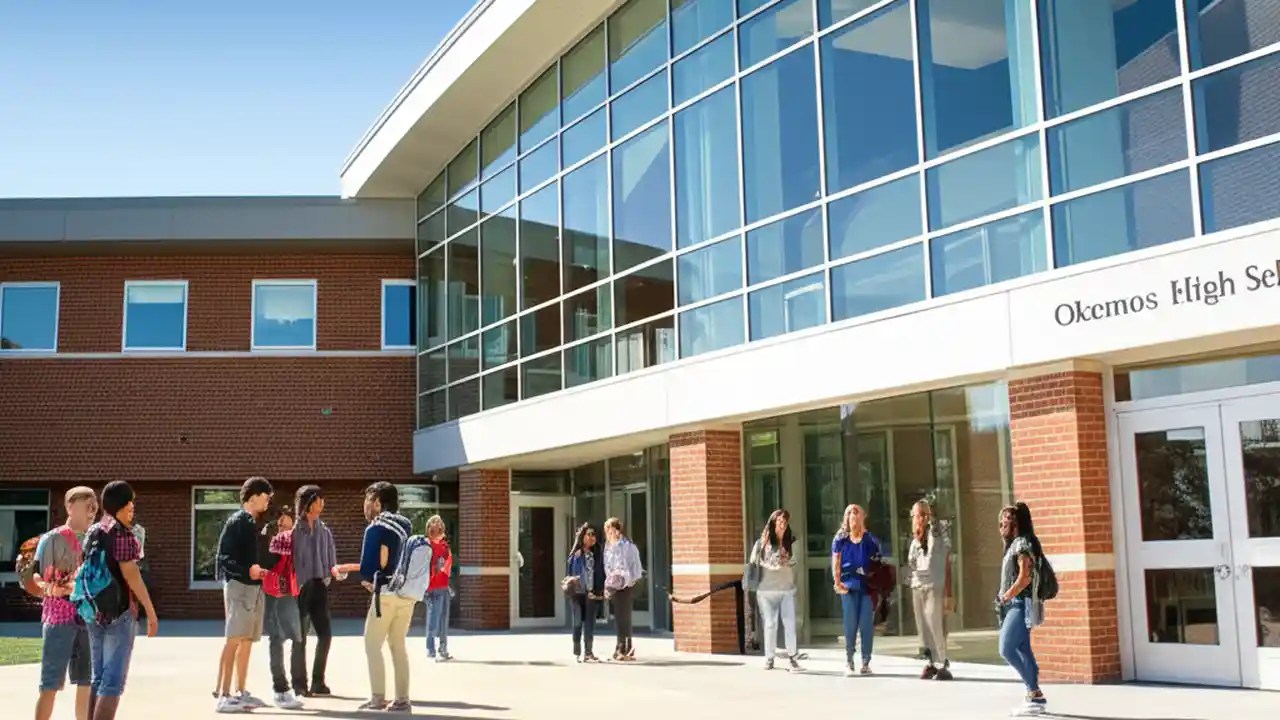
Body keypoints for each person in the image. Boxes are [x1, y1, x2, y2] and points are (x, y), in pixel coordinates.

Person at [85, 480, 158, 720]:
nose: (133, 508)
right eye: (131, 504)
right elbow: (132, 575)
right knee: (113, 682)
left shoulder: (94, 531)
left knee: (99, 678)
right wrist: (149, 609)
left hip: (94, 611)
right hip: (119, 612)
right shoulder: (122, 534)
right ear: (123, 505)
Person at [32, 486, 98, 720]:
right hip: (59, 617)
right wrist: (49, 587)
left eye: (94, 505)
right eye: (87, 504)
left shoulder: (96, 539)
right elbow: (35, 575)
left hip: (88, 617)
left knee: (87, 682)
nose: (92, 510)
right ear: (70, 506)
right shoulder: (52, 539)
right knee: (50, 683)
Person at [213, 476, 275, 714]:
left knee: (247, 640)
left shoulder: (252, 523)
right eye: (266, 496)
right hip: (239, 587)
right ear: (256, 496)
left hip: (254, 588)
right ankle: (224, 695)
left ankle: (240, 692)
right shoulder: (239, 520)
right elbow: (224, 558)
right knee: (234, 638)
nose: (268, 501)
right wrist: (246, 570)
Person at [355, 482, 415, 712]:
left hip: (385, 595)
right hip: (406, 594)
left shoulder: (376, 528)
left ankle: (377, 698)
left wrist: (365, 579)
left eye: (368, 500)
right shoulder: (406, 524)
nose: (366, 506)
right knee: (398, 645)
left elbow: (368, 568)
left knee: (372, 644)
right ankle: (402, 699)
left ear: (378, 502)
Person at [998, 502, 1048, 716]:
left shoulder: (1022, 544)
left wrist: (1007, 595)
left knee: (1006, 648)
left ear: (1017, 522)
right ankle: (1033, 695)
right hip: (1014, 604)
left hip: (1020, 604)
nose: (1002, 523)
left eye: (1007, 519)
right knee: (1023, 650)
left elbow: (1025, 577)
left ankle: (1034, 692)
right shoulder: (1015, 544)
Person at [291, 485, 340, 697]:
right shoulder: (294, 531)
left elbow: (331, 562)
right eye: (319, 500)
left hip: (319, 586)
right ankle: (299, 684)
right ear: (309, 503)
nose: (322, 504)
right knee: (299, 637)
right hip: (300, 588)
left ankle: (318, 682)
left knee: (325, 635)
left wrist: (336, 572)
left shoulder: (325, 530)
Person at [260, 505, 305, 710]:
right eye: (280, 522)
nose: (282, 524)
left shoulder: (295, 540)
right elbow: (267, 563)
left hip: (289, 594)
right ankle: (280, 688)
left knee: (296, 636)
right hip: (274, 593)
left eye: (286, 520)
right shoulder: (272, 542)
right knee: (276, 638)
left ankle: (294, 686)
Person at [831, 503, 880, 677]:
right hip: (848, 586)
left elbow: (877, 563)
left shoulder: (870, 540)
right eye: (850, 513)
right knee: (850, 624)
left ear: (862, 517)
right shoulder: (840, 539)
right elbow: (835, 562)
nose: (853, 516)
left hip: (867, 588)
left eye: (856, 512)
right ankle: (849, 660)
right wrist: (837, 582)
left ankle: (866, 661)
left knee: (866, 625)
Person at [751, 509, 802, 672]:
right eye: (779, 521)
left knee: (790, 624)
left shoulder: (791, 542)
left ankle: (793, 658)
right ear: (773, 523)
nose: (783, 524)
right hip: (766, 590)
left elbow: (795, 561)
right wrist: (769, 565)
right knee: (770, 624)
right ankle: (769, 658)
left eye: (785, 522)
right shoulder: (762, 543)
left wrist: (786, 561)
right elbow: (753, 561)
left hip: (786, 589)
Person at [906, 500, 952, 681]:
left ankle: (942, 663)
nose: (921, 518)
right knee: (924, 628)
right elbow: (912, 564)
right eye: (918, 514)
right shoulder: (914, 540)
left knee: (936, 625)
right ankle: (931, 662)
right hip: (918, 587)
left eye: (925, 514)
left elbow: (946, 562)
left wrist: (949, 592)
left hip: (935, 586)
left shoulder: (937, 534)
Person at [602, 517, 643, 662]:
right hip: (614, 586)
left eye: (611, 530)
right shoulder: (608, 548)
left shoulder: (628, 547)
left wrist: (629, 580)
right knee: (618, 616)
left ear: (618, 531)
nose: (609, 534)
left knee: (623, 616)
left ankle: (624, 647)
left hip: (626, 585)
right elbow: (607, 567)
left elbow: (636, 567)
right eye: (607, 531)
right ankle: (622, 646)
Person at [565, 523, 605, 663]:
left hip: (592, 592)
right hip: (577, 593)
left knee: (590, 623)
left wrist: (599, 589)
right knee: (577, 623)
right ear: (582, 537)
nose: (592, 538)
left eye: (593, 535)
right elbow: (570, 573)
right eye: (588, 534)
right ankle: (577, 651)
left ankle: (588, 652)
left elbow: (601, 572)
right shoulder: (576, 555)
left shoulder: (598, 553)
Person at [423, 514, 453, 662]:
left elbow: (447, 565)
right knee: (435, 619)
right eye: (435, 526)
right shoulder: (429, 546)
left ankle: (442, 648)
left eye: (439, 526)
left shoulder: (444, 546)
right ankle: (431, 649)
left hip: (443, 586)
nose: (438, 527)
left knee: (441, 619)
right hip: (434, 587)